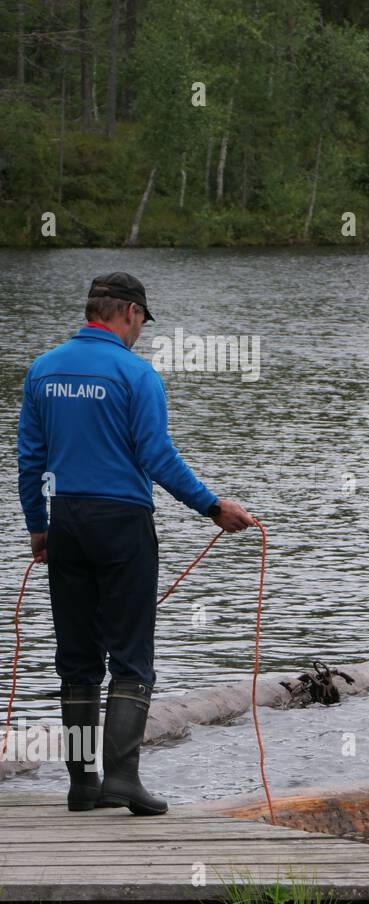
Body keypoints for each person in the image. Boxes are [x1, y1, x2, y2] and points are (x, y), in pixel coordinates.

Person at [16, 272, 254, 816]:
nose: (142, 331)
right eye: (143, 320)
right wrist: (212, 506)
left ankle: (83, 785)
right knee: (130, 656)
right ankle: (122, 778)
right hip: (121, 522)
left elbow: (30, 459)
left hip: (67, 521)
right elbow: (157, 458)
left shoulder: (43, 370)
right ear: (127, 312)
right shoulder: (135, 375)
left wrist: (39, 527)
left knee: (77, 659)